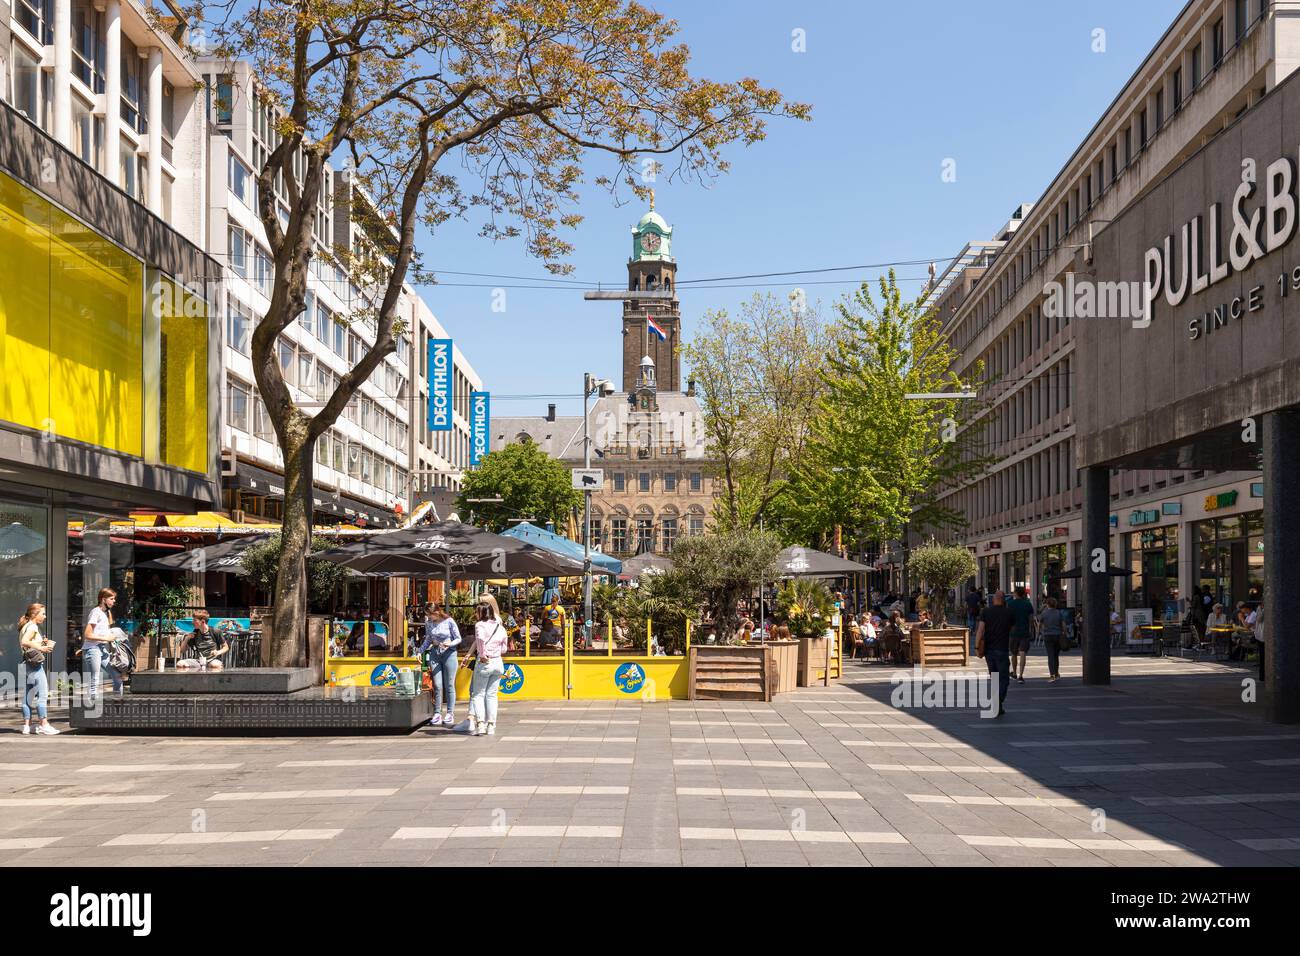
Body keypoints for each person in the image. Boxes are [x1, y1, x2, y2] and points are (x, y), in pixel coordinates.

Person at [466, 594, 508, 737]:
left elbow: (480, 640)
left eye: (476, 611)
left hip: (485, 662)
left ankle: (481, 724)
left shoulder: (479, 625)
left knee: (478, 694)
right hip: (498, 662)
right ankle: (491, 725)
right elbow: (505, 648)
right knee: (492, 695)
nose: (475, 614)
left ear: (481, 613)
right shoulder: (500, 626)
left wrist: (483, 655)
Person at [416, 603, 461, 726]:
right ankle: (437, 713)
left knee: (450, 684)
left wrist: (450, 644)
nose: (428, 617)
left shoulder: (449, 621)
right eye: (427, 615)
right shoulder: (428, 623)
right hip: (435, 653)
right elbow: (428, 639)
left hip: (449, 653)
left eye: (430, 615)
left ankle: (450, 713)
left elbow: (458, 638)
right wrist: (420, 651)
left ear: (436, 612)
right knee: (437, 684)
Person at [19, 603, 59, 736]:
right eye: (43, 613)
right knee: (42, 694)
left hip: (25, 664)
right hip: (34, 665)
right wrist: (42, 648)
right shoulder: (33, 626)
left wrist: (41, 643)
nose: (45, 616)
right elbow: (25, 642)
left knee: (27, 697)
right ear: (34, 615)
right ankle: (44, 724)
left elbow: (27, 644)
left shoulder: (25, 626)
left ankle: (27, 725)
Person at [974, 590, 1013, 716]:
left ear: (994, 599)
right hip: (1002, 649)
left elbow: (980, 630)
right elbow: (1012, 629)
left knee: (995, 678)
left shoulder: (986, 611)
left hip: (989, 650)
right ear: (1004, 599)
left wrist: (976, 646)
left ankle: (998, 705)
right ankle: (998, 702)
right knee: (1004, 679)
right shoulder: (1008, 612)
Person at [82, 587, 123, 700]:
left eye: (114, 598)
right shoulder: (96, 612)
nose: (114, 601)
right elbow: (88, 634)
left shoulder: (105, 613)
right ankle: (91, 710)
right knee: (95, 679)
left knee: (117, 676)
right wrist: (106, 638)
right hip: (93, 649)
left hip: (101, 649)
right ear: (103, 599)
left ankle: (118, 705)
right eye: (111, 598)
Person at [1007, 586, 1037, 683]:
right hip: (1024, 631)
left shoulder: (1010, 604)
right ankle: (1021, 675)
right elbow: (1031, 619)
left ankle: (1014, 673)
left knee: (1014, 653)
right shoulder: (1028, 604)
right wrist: (1031, 630)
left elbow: (1007, 619)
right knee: (1023, 652)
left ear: (1016, 593)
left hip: (1013, 632)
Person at [1038, 598, 1065, 682]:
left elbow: (1039, 624)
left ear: (1047, 604)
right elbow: (1063, 624)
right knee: (1056, 655)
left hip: (1048, 636)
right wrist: (1064, 633)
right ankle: (1056, 673)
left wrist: (1040, 632)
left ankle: (1052, 675)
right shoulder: (1059, 613)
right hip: (1057, 635)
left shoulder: (1044, 613)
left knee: (1050, 655)